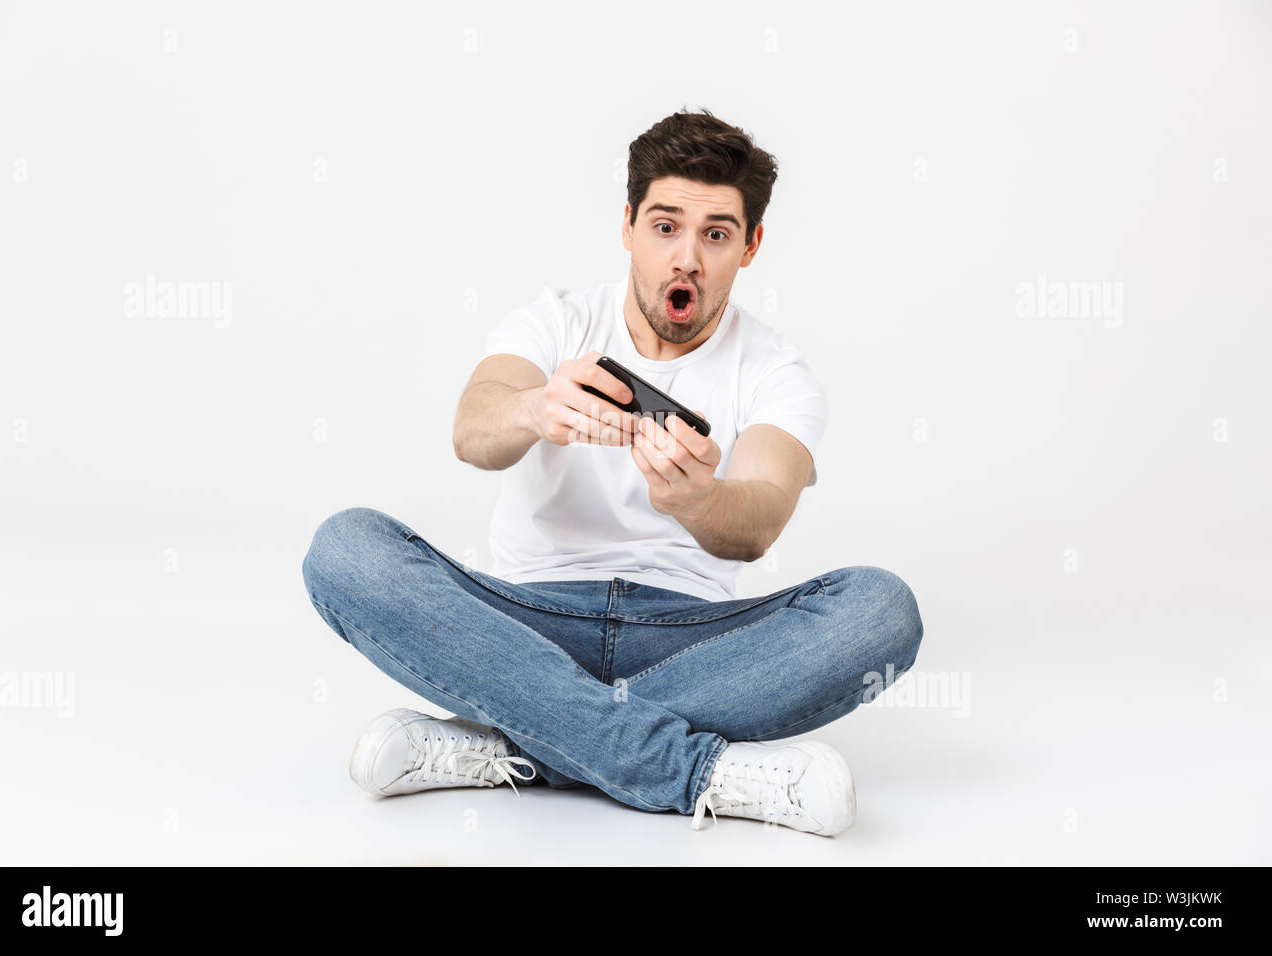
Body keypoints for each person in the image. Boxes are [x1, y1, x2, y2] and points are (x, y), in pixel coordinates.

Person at [301, 107, 925, 836]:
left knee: (882, 610)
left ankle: (516, 743)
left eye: (716, 234)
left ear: (751, 245)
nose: (686, 258)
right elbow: (473, 431)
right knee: (345, 547)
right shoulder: (555, 321)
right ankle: (694, 772)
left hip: (695, 635)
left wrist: (700, 500)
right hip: (522, 627)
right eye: (665, 227)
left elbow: (755, 525)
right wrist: (535, 409)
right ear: (627, 225)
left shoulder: (778, 373)